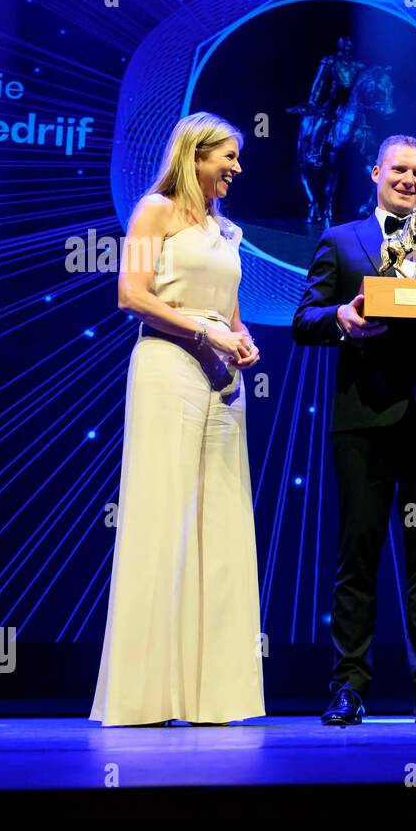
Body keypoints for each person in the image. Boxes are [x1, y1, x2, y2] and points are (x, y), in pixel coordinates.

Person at [292, 134, 416, 726]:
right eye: (399, 169)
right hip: (364, 419)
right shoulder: (340, 240)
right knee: (358, 553)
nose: (409, 180)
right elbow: (305, 319)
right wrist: (343, 319)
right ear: (375, 171)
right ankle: (349, 684)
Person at [91, 111, 265, 727]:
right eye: (228, 157)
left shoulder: (227, 231)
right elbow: (130, 293)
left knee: (221, 525)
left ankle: (213, 695)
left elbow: (231, 310)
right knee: (164, 516)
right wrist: (203, 328)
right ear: (195, 156)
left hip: (222, 378)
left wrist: (240, 339)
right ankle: (146, 697)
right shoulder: (153, 210)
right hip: (167, 367)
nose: (237, 169)